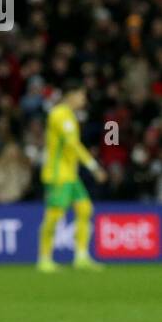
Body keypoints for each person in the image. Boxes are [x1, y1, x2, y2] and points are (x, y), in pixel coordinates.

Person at [36, 84, 106, 272]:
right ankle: (44, 258)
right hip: (58, 174)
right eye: (81, 96)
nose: (83, 100)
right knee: (54, 215)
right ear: (71, 95)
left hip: (71, 174)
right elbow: (72, 145)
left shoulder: (69, 116)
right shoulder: (59, 115)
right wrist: (93, 166)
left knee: (85, 209)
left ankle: (81, 257)